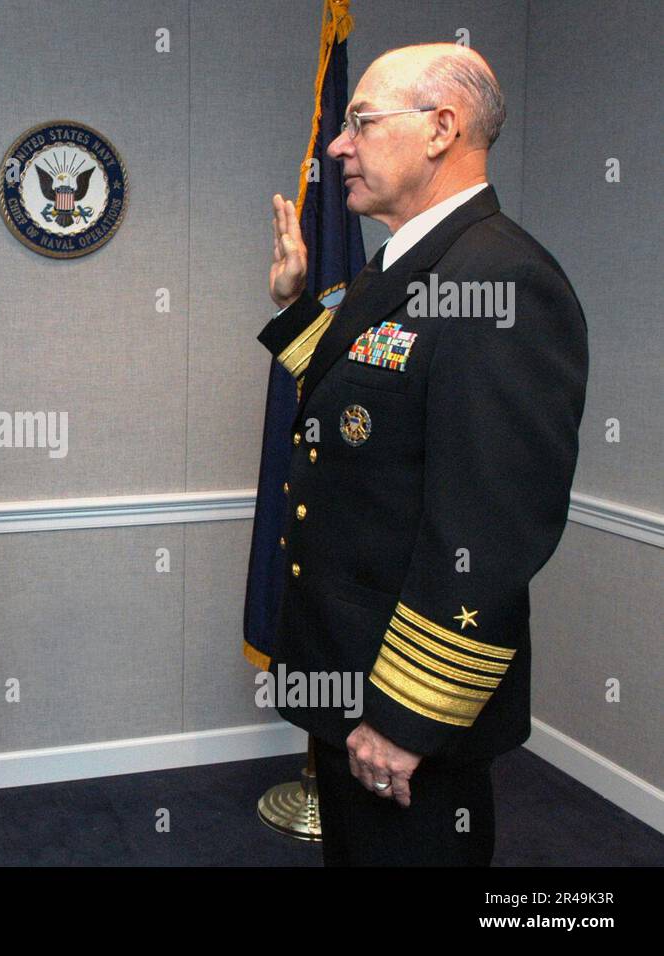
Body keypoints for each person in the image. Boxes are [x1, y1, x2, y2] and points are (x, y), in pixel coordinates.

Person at [261, 44, 588, 865]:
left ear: (442, 129)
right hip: (351, 675)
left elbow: (490, 529)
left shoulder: (502, 281)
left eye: (360, 122)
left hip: (403, 708)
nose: (338, 145)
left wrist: (406, 719)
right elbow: (364, 408)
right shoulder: (409, 262)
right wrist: (297, 305)